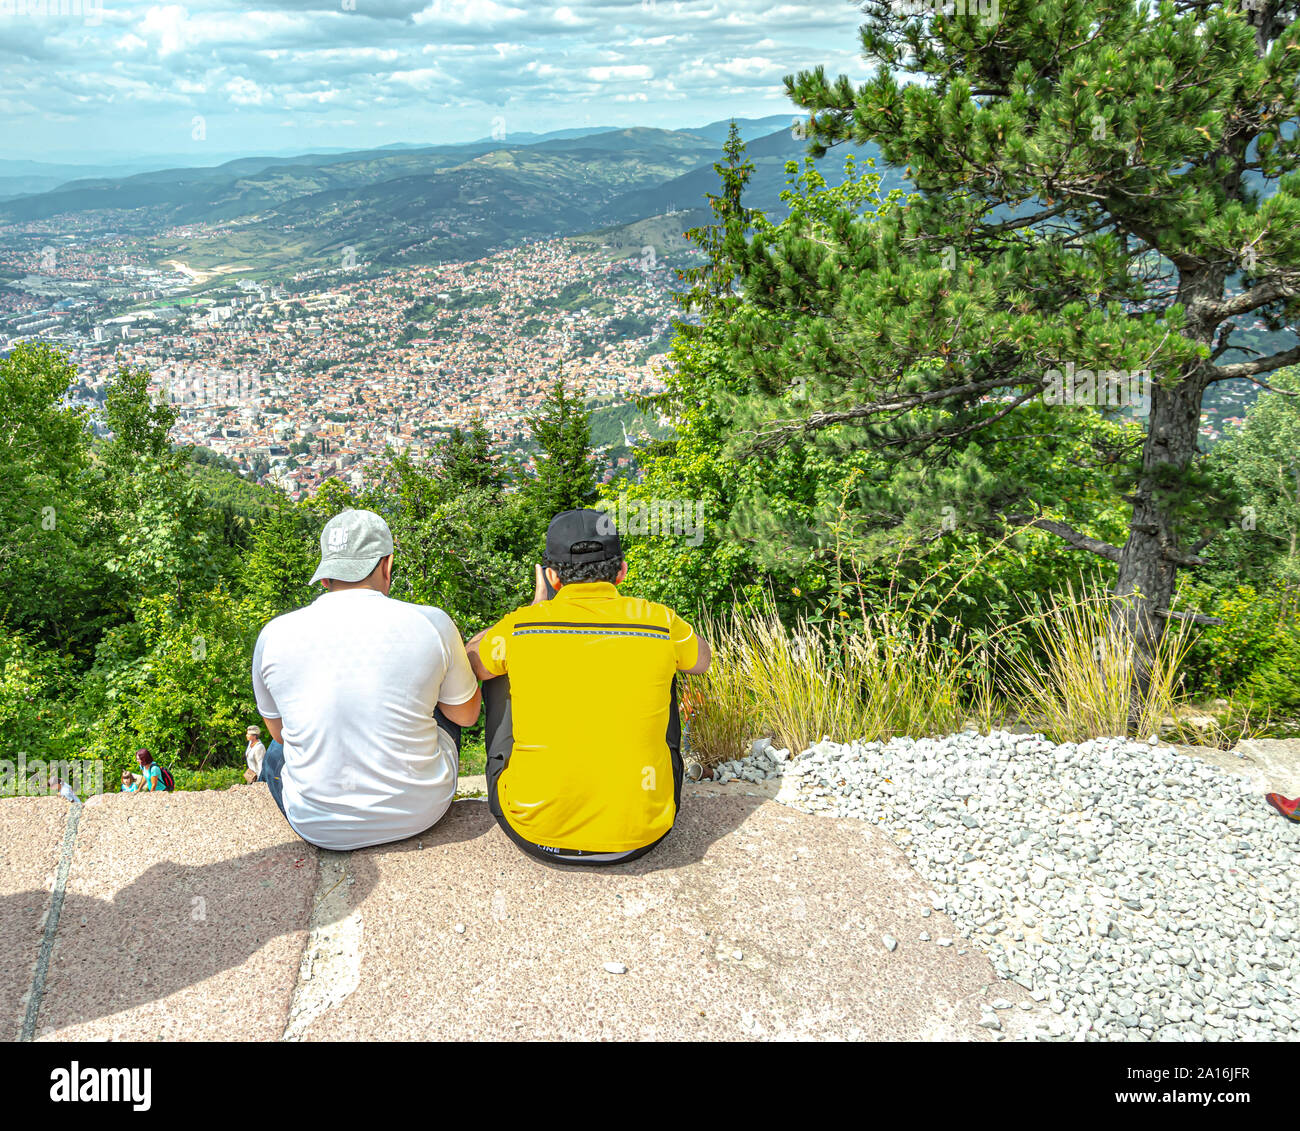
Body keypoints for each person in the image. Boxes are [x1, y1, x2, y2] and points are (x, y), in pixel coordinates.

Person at [466, 508, 712, 865]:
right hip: (643, 834)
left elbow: (471, 660)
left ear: (552, 575)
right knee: (671, 663)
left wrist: (534, 608)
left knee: (498, 669)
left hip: (533, 832)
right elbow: (701, 661)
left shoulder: (522, 626)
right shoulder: (659, 620)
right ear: (622, 571)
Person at [251, 508, 481, 851]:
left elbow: (280, 735)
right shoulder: (433, 622)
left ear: (326, 576)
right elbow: (466, 716)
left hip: (316, 828)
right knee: (441, 701)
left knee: (273, 753)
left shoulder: (273, 635)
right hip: (423, 814)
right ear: (386, 565)